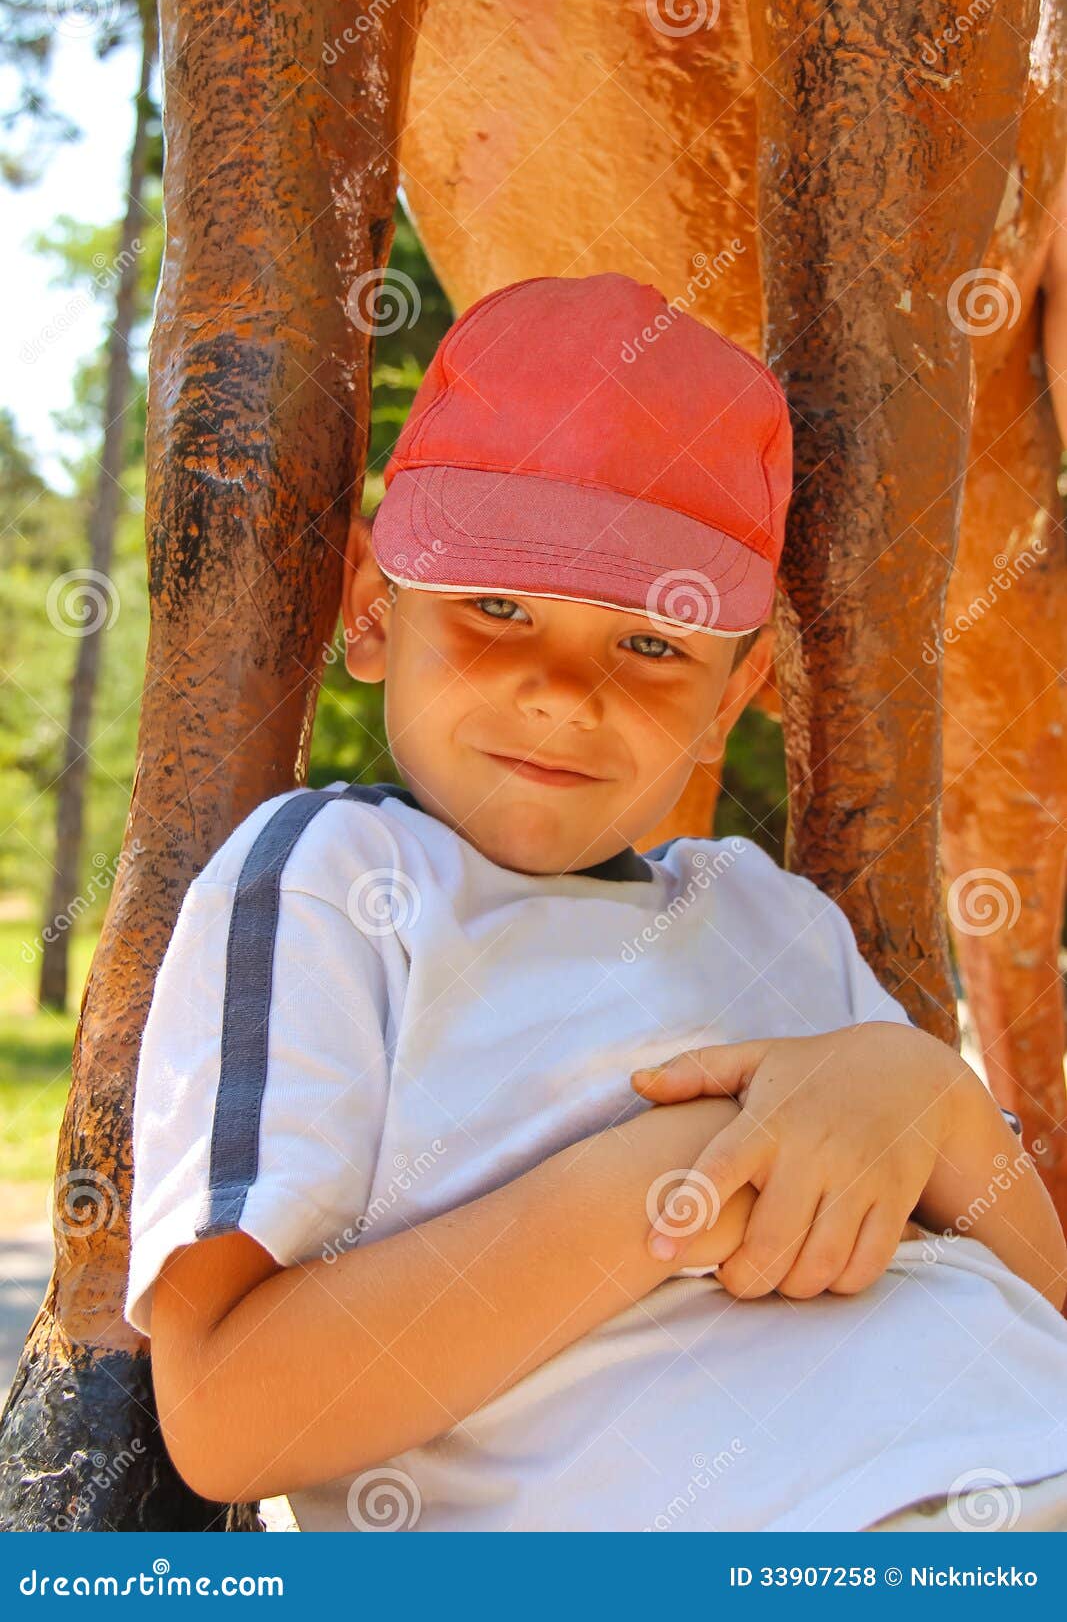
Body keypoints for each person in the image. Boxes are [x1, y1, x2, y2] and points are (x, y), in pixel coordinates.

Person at [125, 273, 1067, 1534]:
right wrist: (685, 1169)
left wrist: (934, 1100)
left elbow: (1037, 1302)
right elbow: (231, 1415)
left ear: (726, 704)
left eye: (651, 641)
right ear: (368, 611)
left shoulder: (778, 920)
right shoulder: (332, 881)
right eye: (496, 608)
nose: (565, 693)